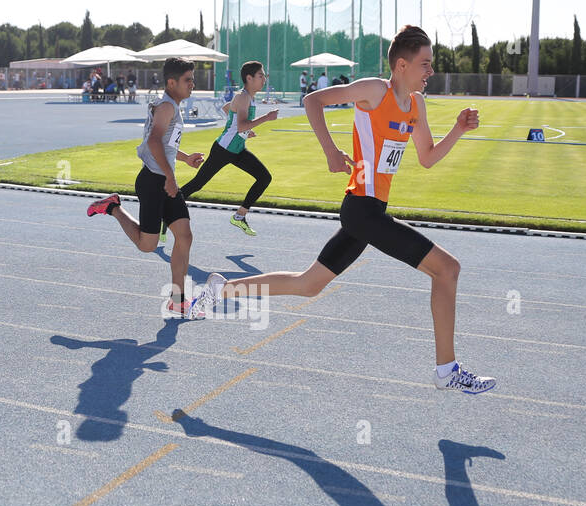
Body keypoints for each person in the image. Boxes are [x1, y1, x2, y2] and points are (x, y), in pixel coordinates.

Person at [192, 25, 496, 394]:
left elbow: (428, 157)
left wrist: (459, 130)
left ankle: (220, 290)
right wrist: (331, 151)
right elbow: (312, 101)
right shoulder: (374, 91)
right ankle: (446, 369)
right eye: (425, 64)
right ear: (401, 65)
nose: (431, 71)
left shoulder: (416, 105)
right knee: (447, 270)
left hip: (367, 211)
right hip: (362, 210)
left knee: (308, 285)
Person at [85, 57, 206, 317]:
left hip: (164, 178)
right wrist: (170, 178)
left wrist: (184, 159)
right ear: (171, 82)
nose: (192, 84)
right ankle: (114, 207)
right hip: (154, 182)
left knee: (184, 235)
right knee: (147, 245)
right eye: (188, 80)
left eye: (192, 79)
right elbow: (153, 142)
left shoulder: (170, 105)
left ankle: (178, 300)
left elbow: (165, 143)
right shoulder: (166, 107)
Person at [179, 60, 279, 236]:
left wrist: (245, 132)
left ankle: (240, 216)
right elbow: (241, 126)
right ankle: (167, 209)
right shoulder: (243, 97)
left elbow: (228, 109)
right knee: (197, 184)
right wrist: (266, 118)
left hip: (238, 150)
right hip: (223, 150)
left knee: (264, 177)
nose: (264, 79)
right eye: (261, 75)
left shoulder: (247, 97)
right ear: (249, 78)